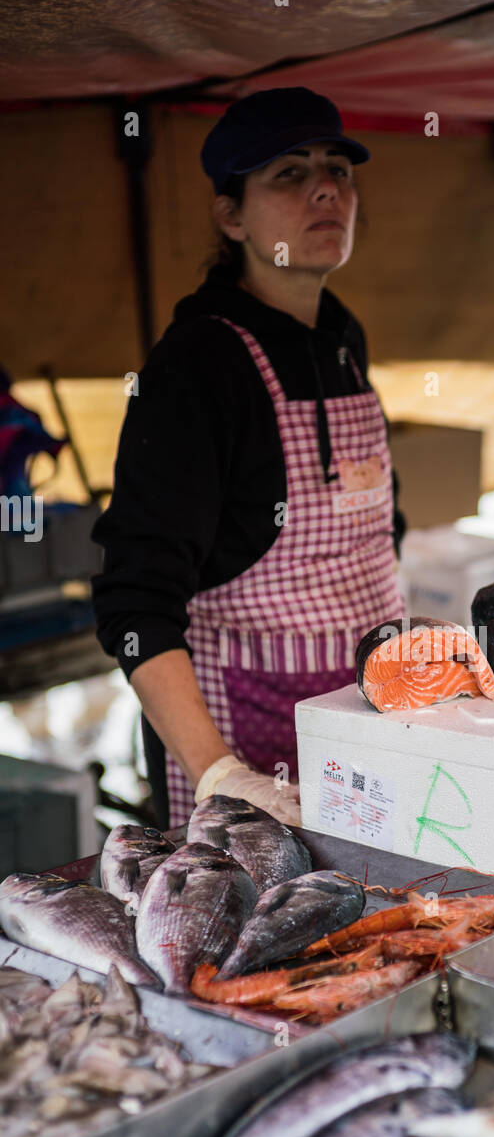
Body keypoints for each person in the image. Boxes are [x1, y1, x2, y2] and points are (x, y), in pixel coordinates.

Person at [92, 88, 406, 830]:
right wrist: (222, 775)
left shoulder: (340, 336)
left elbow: (380, 526)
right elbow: (133, 601)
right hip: (248, 747)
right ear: (230, 216)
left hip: (366, 722)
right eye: (289, 174)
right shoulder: (199, 364)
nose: (326, 187)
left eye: (337, 167)